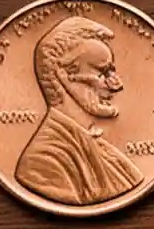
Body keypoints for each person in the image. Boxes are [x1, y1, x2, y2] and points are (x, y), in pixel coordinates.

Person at [15, 17, 144, 205]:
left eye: (113, 72)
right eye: (102, 73)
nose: (117, 85)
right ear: (64, 75)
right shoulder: (42, 162)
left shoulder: (104, 151)